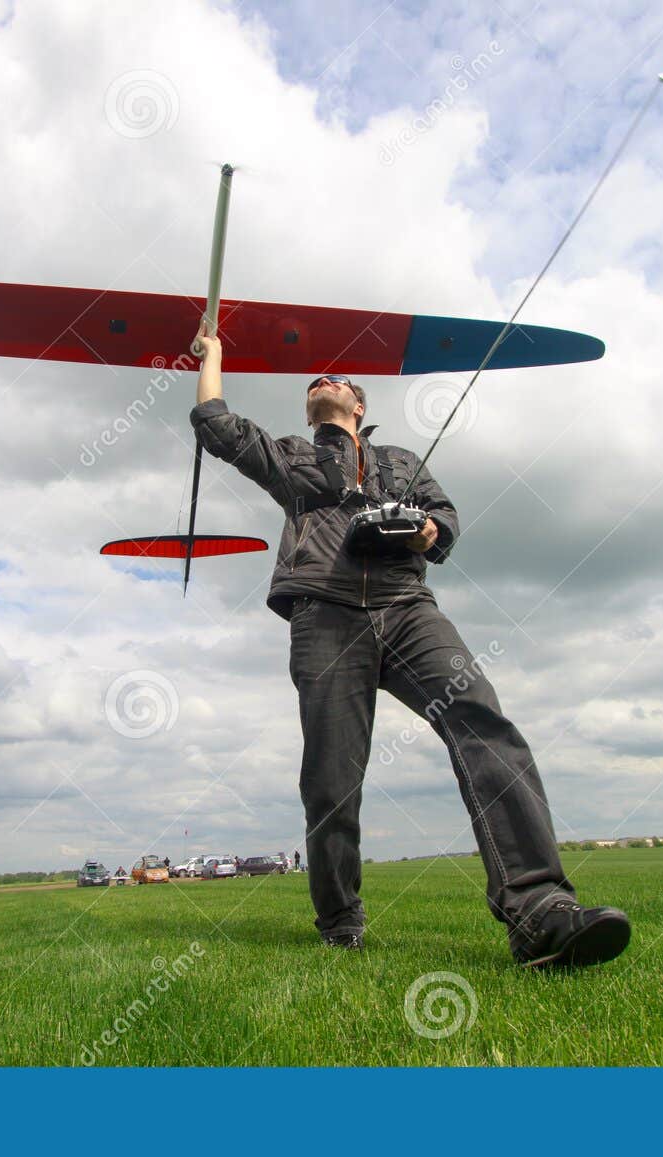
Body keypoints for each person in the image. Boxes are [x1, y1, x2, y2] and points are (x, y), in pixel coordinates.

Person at [189, 329, 630, 968]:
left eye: (338, 378)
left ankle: (541, 911)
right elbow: (217, 426)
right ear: (309, 411)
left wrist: (425, 529)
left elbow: (445, 519)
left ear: (360, 404)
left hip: (407, 609)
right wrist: (214, 357)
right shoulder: (290, 457)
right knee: (331, 778)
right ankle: (340, 920)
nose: (324, 379)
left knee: (483, 722)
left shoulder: (400, 461)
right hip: (325, 614)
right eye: (314, 382)